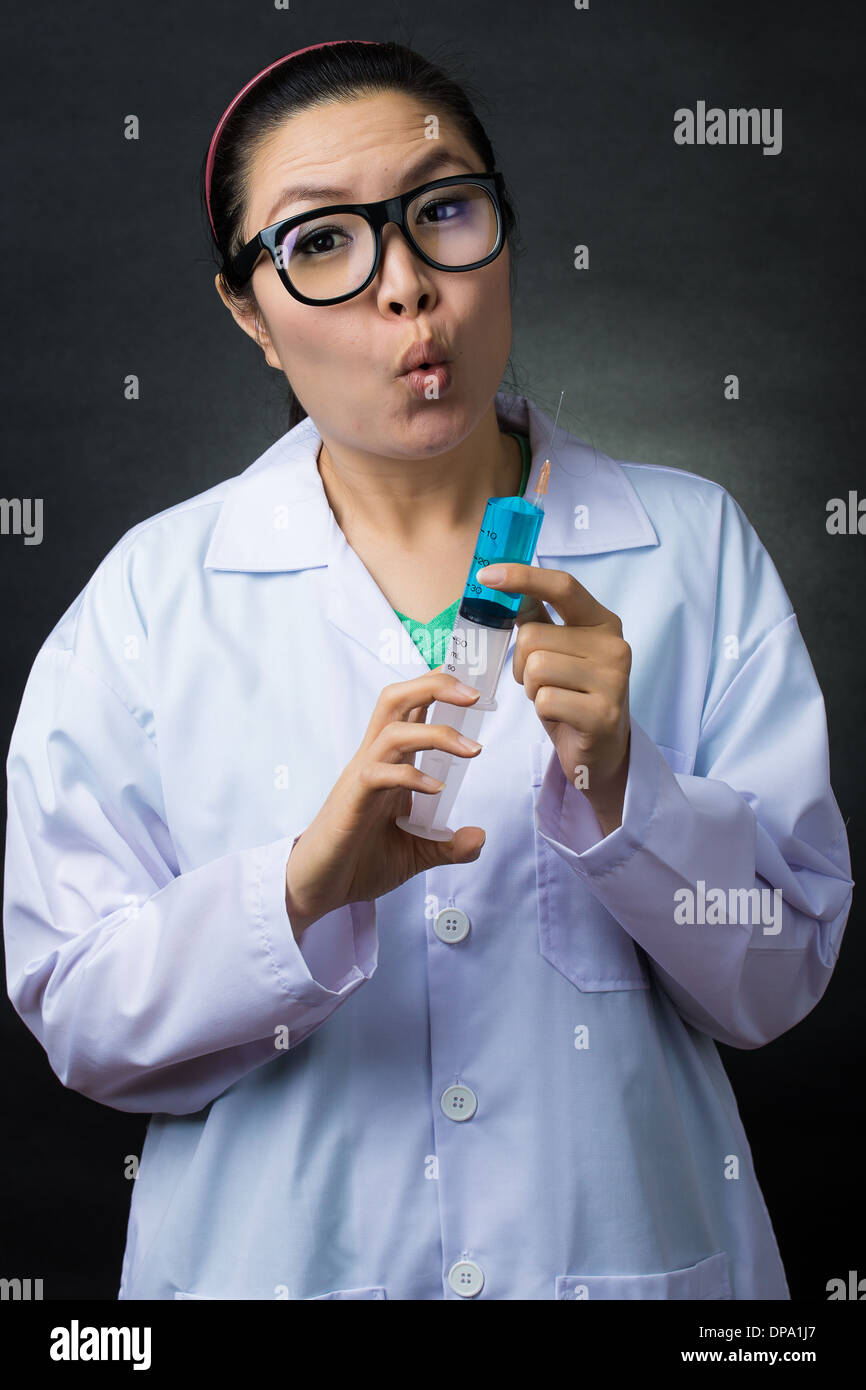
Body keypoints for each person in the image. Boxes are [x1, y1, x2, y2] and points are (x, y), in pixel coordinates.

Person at [2, 39, 852, 1302]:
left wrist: (632, 796)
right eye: (322, 244)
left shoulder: (689, 545)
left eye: (441, 212)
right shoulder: (152, 593)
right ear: (249, 311)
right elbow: (76, 1008)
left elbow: (775, 976)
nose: (406, 288)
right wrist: (296, 891)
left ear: (501, 231)